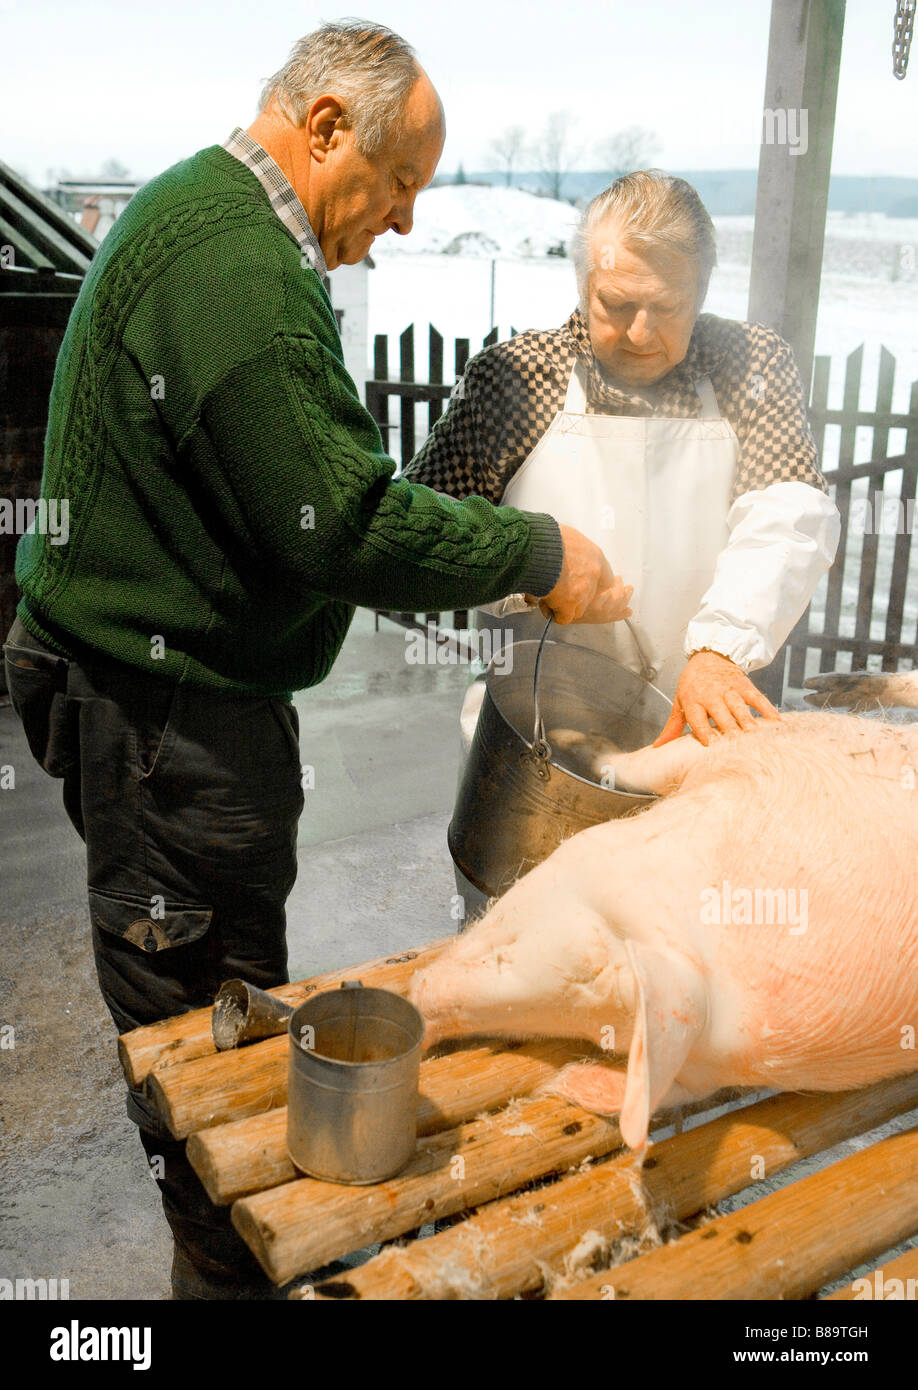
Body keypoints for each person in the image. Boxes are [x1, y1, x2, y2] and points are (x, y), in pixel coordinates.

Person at [2, 20, 628, 1300]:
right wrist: (544, 549)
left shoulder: (205, 214)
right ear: (330, 126)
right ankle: (225, 1275)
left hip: (155, 697)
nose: (401, 223)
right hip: (168, 721)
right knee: (207, 1049)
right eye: (399, 182)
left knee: (219, 1000)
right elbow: (341, 520)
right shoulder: (239, 268)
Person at [405, 171, 841, 750]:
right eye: (617, 304)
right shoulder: (515, 376)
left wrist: (722, 650)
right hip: (534, 737)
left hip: (704, 730)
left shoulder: (751, 364)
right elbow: (420, 536)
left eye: (667, 306)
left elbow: (791, 516)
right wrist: (530, 577)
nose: (640, 332)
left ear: (702, 291)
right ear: (584, 286)